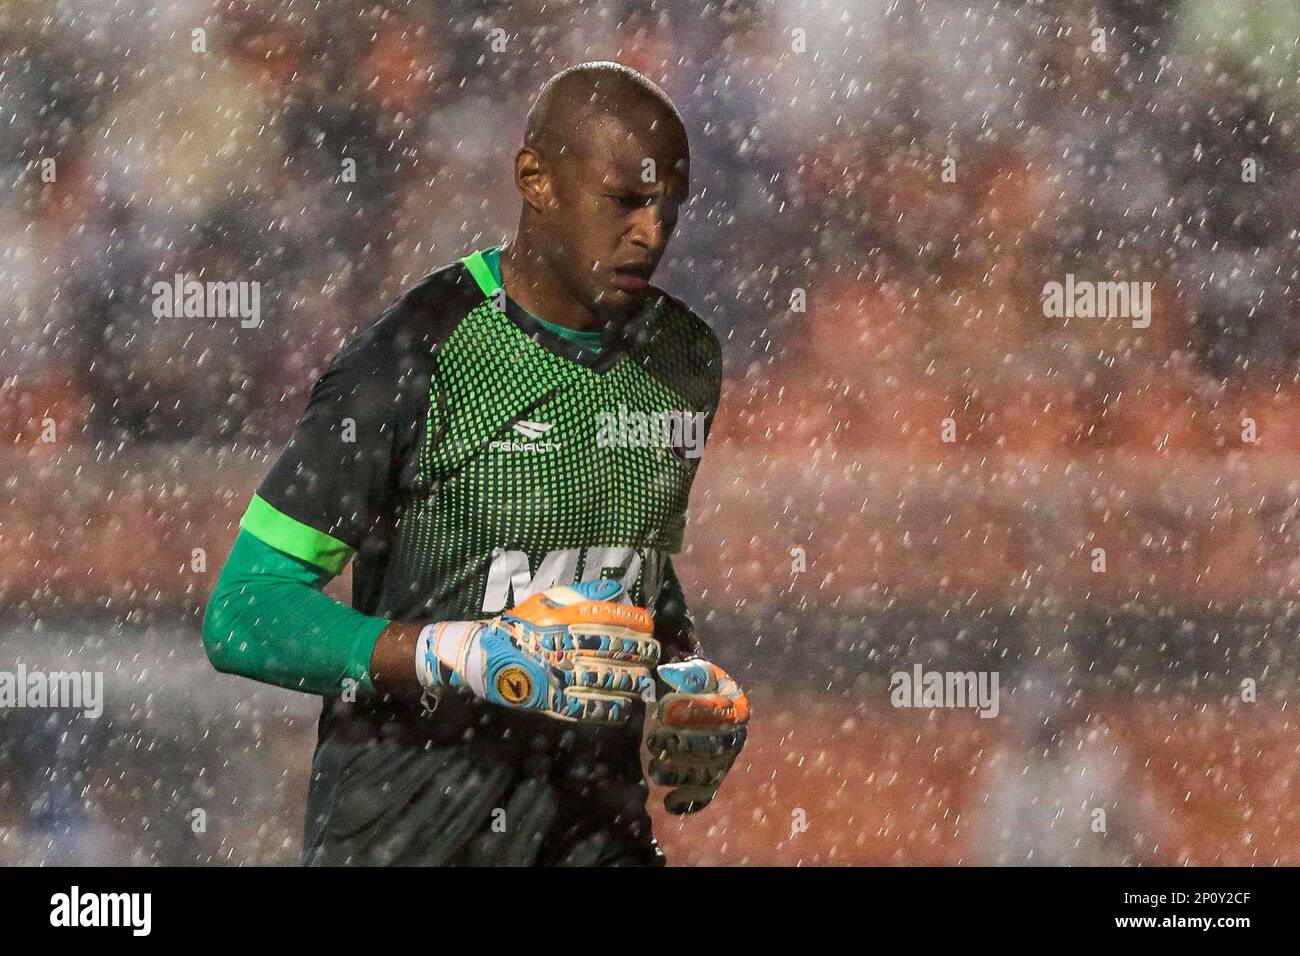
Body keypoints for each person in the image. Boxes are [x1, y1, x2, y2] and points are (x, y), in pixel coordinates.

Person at [202, 61, 749, 866]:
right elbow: (243, 614)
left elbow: (630, 564)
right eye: (626, 201)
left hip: (598, 835)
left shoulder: (685, 357)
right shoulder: (413, 356)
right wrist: (451, 653)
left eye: (671, 205)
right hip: (406, 837)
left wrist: (684, 677)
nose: (653, 233)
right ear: (536, 178)